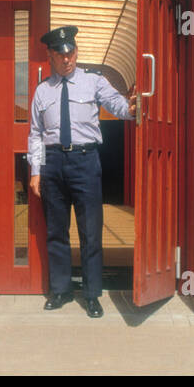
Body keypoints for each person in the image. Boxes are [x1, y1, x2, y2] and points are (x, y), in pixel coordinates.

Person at [28, 25, 137, 317]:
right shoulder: (42, 91)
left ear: (76, 52)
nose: (67, 59)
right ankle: (61, 290)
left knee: (91, 231)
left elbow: (118, 105)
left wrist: (133, 107)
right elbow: (35, 134)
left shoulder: (94, 82)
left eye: (71, 52)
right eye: (60, 54)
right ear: (50, 56)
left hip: (85, 162)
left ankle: (91, 295)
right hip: (52, 164)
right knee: (56, 231)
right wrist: (35, 171)